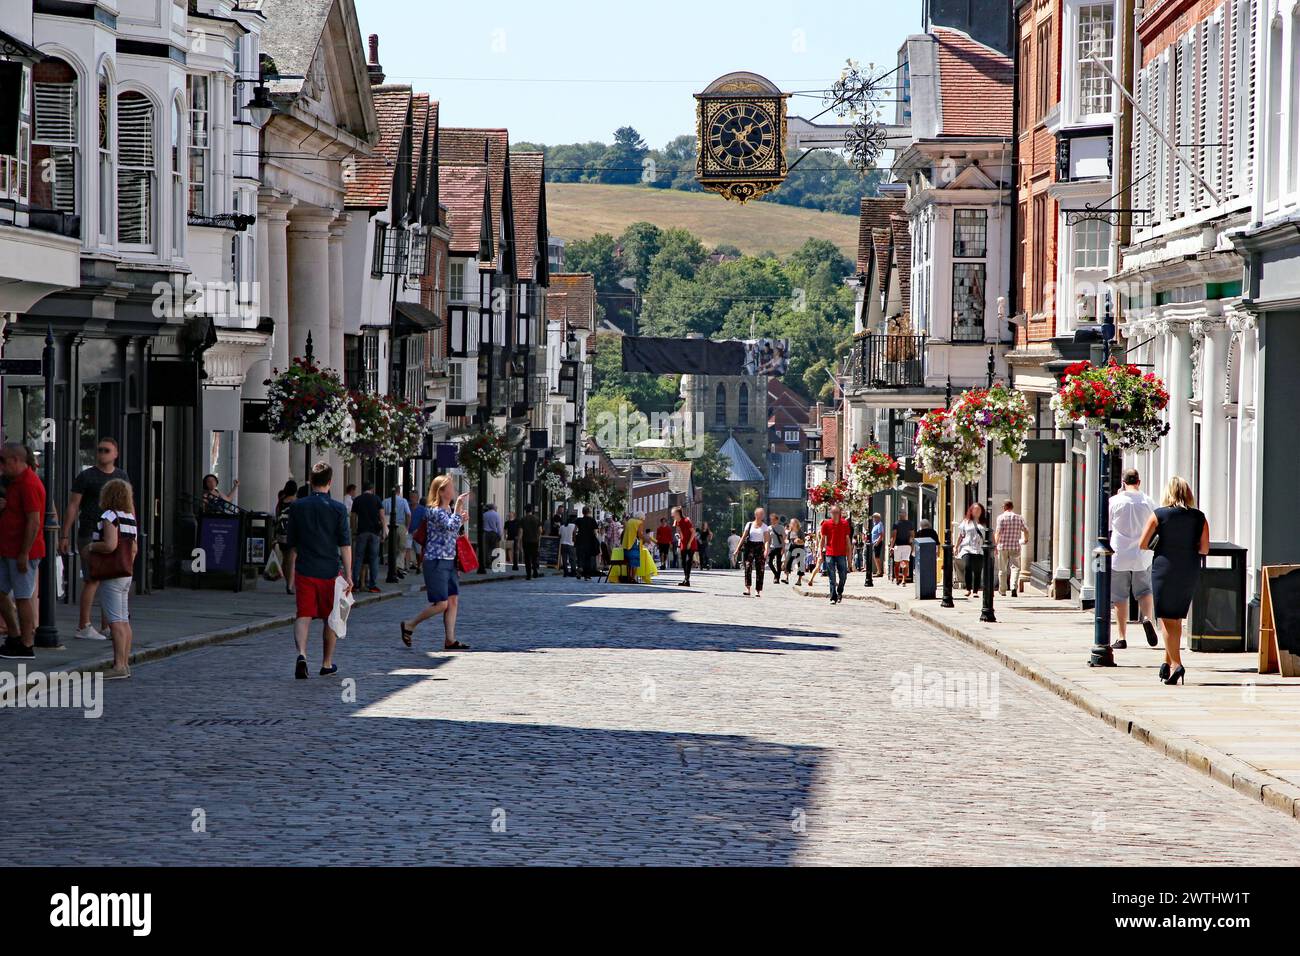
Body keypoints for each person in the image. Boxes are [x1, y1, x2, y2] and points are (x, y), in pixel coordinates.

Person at [58, 437, 130, 641]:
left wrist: (130, 532)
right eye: (99, 450)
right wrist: (65, 533)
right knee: (92, 579)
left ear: (115, 454)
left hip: (114, 533)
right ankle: (84, 625)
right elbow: (73, 505)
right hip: (90, 532)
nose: (102, 453)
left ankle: (107, 625)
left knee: (110, 579)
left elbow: (127, 505)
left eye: (106, 450)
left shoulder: (121, 476)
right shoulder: (86, 476)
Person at [285, 463, 352, 679]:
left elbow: (291, 545)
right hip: (330, 572)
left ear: (310, 481)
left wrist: (289, 576)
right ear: (330, 482)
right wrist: (349, 574)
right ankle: (326, 663)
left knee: (303, 615)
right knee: (331, 619)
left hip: (305, 569)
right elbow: (345, 545)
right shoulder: (338, 509)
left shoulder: (297, 507)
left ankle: (302, 655)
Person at [1141, 477, 1209, 686]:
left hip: (1165, 567)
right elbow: (1204, 549)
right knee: (1176, 619)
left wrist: (1162, 544)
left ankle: (1177, 665)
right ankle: (1166, 661)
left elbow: (1143, 543)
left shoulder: (1159, 514)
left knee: (1166, 619)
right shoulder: (1199, 517)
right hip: (1189, 568)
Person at [400, 475, 472, 651]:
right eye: (450, 487)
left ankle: (450, 640)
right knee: (442, 604)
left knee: (453, 600)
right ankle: (410, 624)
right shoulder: (433, 510)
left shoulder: (448, 510)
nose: (454, 490)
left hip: (449, 560)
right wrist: (458, 511)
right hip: (436, 561)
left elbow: (453, 531)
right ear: (441, 491)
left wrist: (460, 519)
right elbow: (448, 526)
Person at [87, 479, 139, 680]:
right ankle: (124, 662)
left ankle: (118, 665)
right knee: (124, 620)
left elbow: (109, 545)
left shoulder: (110, 516)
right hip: (126, 573)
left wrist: (91, 547)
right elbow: (133, 548)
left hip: (112, 573)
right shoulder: (129, 518)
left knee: (115, 621)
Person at [0, 444, 46, 661]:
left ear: (16, 460)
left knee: (23, 597)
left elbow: (34, 521)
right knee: (3, 594)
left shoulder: (28, 483)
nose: (1, 465)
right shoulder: (16, 483)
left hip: (21, 552)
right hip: (8, 549)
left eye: (3, 460)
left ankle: (26, 644)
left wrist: (24, 553)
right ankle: (15, 636)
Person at [1106, 469, 1157, 650]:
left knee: (1120, 595)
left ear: (1123, 482)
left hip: (1119, 553)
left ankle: (1122, 637)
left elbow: (1107, 525)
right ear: (1139, 481)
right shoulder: (1148, 501)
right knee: (1145, 590)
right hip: (1142, 553)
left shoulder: (1115, 501)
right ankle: (1147, 618)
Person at [350, 481, 386, 592]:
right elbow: (382, 516)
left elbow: (353, 516)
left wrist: (354, 530)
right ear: (372, 488)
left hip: (362, 532)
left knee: (358, 558)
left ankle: (355, 584)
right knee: (374, 559)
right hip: (374, 532)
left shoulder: (357, 500)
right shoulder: (377, 499)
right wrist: (384, 531)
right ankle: (372, 585)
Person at [819, 504, 852, 604]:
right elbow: (822, 539)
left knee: (843, 576)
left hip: (841, 553)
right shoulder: (826, 524)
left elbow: (847, 541)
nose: (835, 515)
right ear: (830, 513)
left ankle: (840, 592)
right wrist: (820, 553)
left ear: (840, 513)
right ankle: (833, 597)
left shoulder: (845, 523)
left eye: (837, 512)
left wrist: (850, 560)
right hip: (830, 553)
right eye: (833, 513)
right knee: (831, 576)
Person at [994, 500, 1028, 597]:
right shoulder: (1019, 518)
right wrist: (1025, 539)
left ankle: (1003, 590)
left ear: (1004, 507)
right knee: (1015, 568)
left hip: (1003, 546)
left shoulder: (1000, 518)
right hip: (1015, 546)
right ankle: (1013, 587)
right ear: (1012, 507)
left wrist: (996, 545)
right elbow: (1026, 529)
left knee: (1002, 569)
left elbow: (998, 532)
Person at [735, 507, 770, 597]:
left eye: (763, 514)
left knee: (760, 568)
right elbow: (743, 537)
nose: (762, 516)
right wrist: (737, 549)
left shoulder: (765, 527)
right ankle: (748, 588)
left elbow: (766, 540)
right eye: (760, 514)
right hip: (750, 546)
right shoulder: (749, 524)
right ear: (756, 515)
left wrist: (766, 550)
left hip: (759, 547)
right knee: (748, 566)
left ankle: (758, 590)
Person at [956, 503, 987, 598]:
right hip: (967, 548)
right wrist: (956, 546)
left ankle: (975, 591)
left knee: (978, 570)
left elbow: (990, 534)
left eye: (979, 510)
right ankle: (968, 589)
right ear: (971, 510)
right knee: (968, 567)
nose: (977, 511)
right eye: (975, 509)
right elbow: (961, 535)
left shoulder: (984, 523)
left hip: (979, 549)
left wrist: (994, 546)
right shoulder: (966, 522)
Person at [274, 479, 299, 594]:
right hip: (293, 533)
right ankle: (289, 585)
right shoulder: (297, 502)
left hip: (281, 533)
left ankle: (286, 580)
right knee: (292, 559)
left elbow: (277, 515)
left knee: (285, 558)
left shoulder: (281, 501)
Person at [672, 506, 697, 587]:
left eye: (674, 513)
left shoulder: (686, 521)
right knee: (683, 561)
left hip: (691, 542)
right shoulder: (676, 522)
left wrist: (689, 543)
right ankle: (686, 579)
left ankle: (687, 579)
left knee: (689, 561)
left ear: (678, 514)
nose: (672, 515)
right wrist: (680, 537)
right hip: (683, 543)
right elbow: (679, 531)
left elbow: (693, 532)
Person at [890, 507, 914, 586]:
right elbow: (912, 536)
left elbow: (894, 536)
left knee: (897, 564)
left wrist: (891, 546)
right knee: (905, 563)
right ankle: (903, 580)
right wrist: (912, 545)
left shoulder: (896, 524)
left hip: (898, 546)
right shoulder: (910, 524)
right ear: (906, 515)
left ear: (899, 515)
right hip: (907, 546)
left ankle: (897, 579)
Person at [575, 506, 600, 580]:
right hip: (589, 542)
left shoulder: (578, 520)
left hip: (580, 541)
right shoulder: (592, 520)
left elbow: (574, 530)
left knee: (580, 557)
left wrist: (574, 538)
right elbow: (595, 532)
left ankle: (580, 568)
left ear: (583, 512)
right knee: (588, 559)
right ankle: (587, 575)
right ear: (589, 512)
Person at [520, 504, 542, 580]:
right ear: (532, 510)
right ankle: (535, 570)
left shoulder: (523, 519)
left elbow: (521, 532)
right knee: (534, 557)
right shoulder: (536, 519)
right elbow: (540, 531)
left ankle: (528, 574)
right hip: (535, 541)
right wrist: (538, 537)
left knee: (527, 558)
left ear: (525, 510)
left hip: (526, 541)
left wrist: (519, 542)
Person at [406, 491, 427, 572]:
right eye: (411, 497)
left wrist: (418, 529)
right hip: (408, 531)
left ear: (417, 499)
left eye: (414, 497)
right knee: (407, 549)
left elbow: (423, 521)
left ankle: (419, 565)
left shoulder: (422, 509)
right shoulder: (407, 507)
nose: (412, 499)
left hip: (417, 533)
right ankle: (407, 567)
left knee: (418, 551)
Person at [784, 518, 807, 585]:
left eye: (794, 523)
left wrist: (798, 541)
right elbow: (787, 540)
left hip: (799, 548)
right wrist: (787, 541)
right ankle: (786, 578)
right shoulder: (790, 532)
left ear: (797, 524)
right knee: (788, 562)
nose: (792, 524)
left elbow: (803, 542)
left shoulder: (800, 532)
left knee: (800, 565)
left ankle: (799, 581)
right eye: (791, 523)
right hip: (792, 548)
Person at [482, 503, 504, 569]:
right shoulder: (496, 515)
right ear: (494, 508)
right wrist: (500, 535)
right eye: (496, 508)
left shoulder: (484, 515)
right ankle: (494, 563)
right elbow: (499, 526)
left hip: (486, 533)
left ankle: (487, 563)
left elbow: (482, 524)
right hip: (494, 533)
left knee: (487, 549)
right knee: (495, 549)